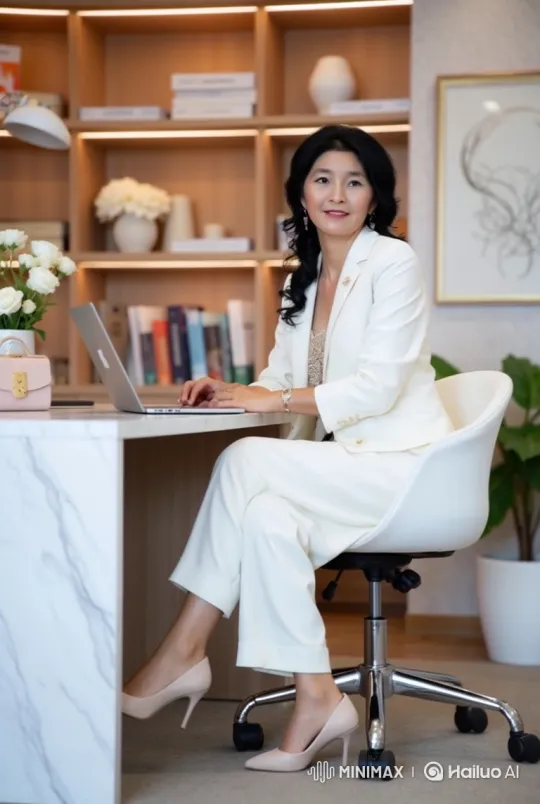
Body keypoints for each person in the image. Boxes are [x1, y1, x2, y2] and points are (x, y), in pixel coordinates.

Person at [121, 124, 454, 773]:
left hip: (401, 467)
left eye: (354, 182)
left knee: (244, 461)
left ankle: (182, 648)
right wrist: (233, 389)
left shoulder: (393, 263)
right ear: (301, 194)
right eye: (322, 179)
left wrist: (271, 402)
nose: (337, 194)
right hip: (342, 466)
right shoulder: (303, 281)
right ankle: (317, 697)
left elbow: (378, 387)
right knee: (266, 519)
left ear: (375, 198)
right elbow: (280, 379)